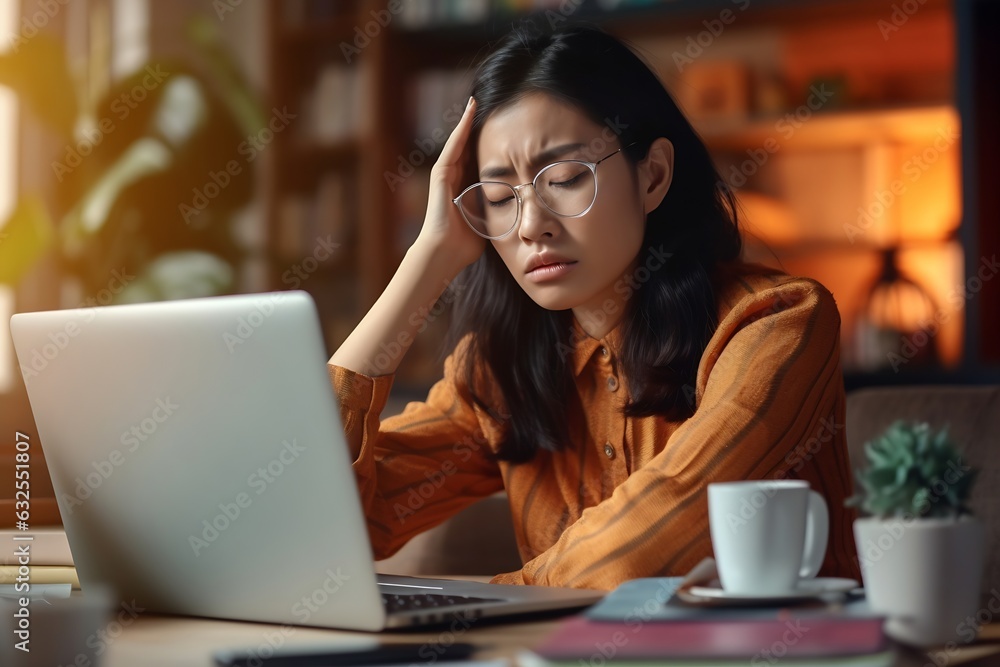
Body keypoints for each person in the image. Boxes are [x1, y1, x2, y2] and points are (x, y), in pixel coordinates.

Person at [328, 24, 859, 591]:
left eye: (564, 179)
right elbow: (328, 529)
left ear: (652, 175)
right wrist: (425, 262)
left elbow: (657, 538)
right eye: (500, 198)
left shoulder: (778, 324)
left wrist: (489, 602)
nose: (531, 226)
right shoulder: (499, 371)